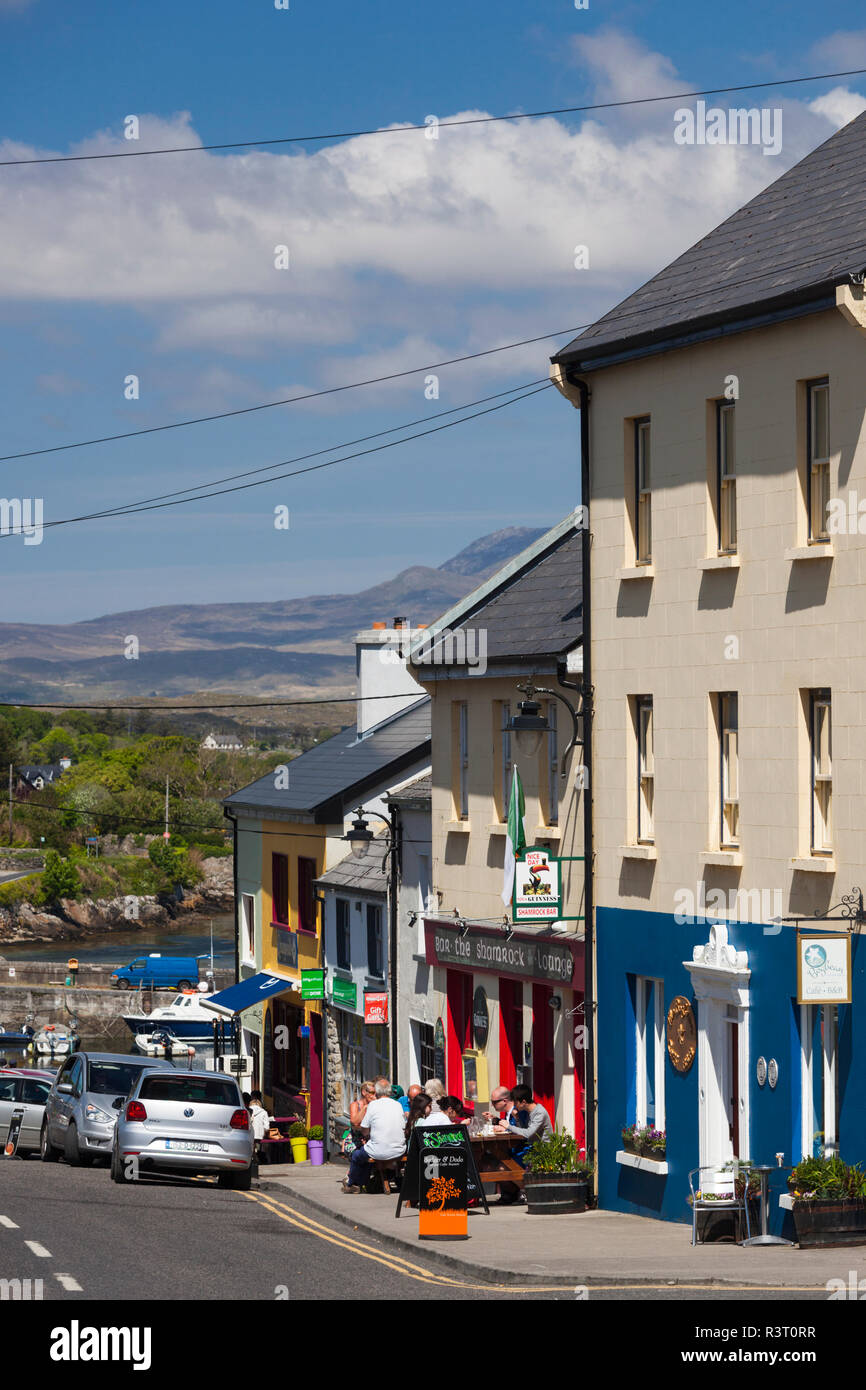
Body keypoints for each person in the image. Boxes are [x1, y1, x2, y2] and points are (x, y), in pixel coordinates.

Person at [342, 1079, 406, 1193]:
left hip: (379, 1150)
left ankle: (353, 1184)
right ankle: (368, 1181)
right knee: (367, 1153)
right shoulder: (398, 1105)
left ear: (376, 1092)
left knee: (357, 1155)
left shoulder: (373, 1105)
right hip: (399, 1150)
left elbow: (365, 1131)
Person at [348, 1081, 376, 1150]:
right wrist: (365, 1108)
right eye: (372, 1093)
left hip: (372, 1139)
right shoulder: (355, 1105)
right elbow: (354, 1123)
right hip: (356, 1140)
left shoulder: (376, 1105)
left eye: (376, 1093)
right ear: (364, 1092)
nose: (374, 1096)